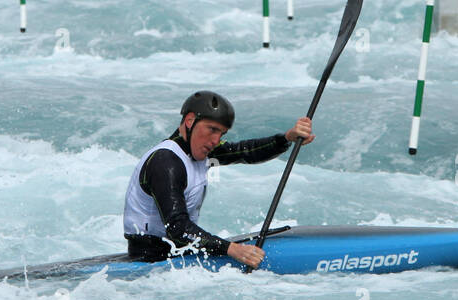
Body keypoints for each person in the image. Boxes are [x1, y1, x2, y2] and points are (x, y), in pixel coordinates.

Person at [122, 91, 315, 269]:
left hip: (177, 254)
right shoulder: (166, 162)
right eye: (212, 129)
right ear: (190, 121)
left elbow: (244, 151)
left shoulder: (200, 152)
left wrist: (287, 138)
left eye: (221, 133)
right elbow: (177, 228)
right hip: (150, 261)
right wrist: (231, 249)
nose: (216, 140)